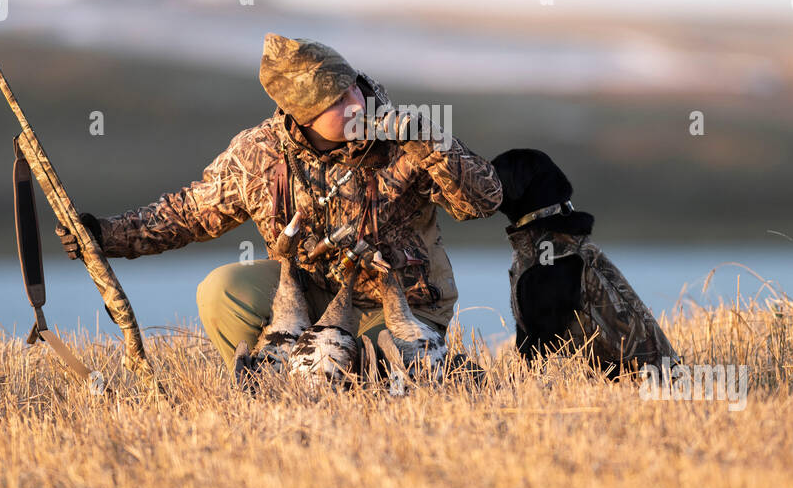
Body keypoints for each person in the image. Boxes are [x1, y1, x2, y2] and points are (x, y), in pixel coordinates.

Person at [57, 33, 502, 372]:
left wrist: (432, 143)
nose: (354, 104)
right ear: (301, 116)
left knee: (380, 373)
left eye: (353, 88)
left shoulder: (406, 136)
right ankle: (278, 375)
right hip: (306, 298)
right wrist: (104, 236)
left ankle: (382, 370)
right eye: (336, 101)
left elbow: (485, 201)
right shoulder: (259, 152)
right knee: (221, 290)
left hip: (402, 302)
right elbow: (189, 213)